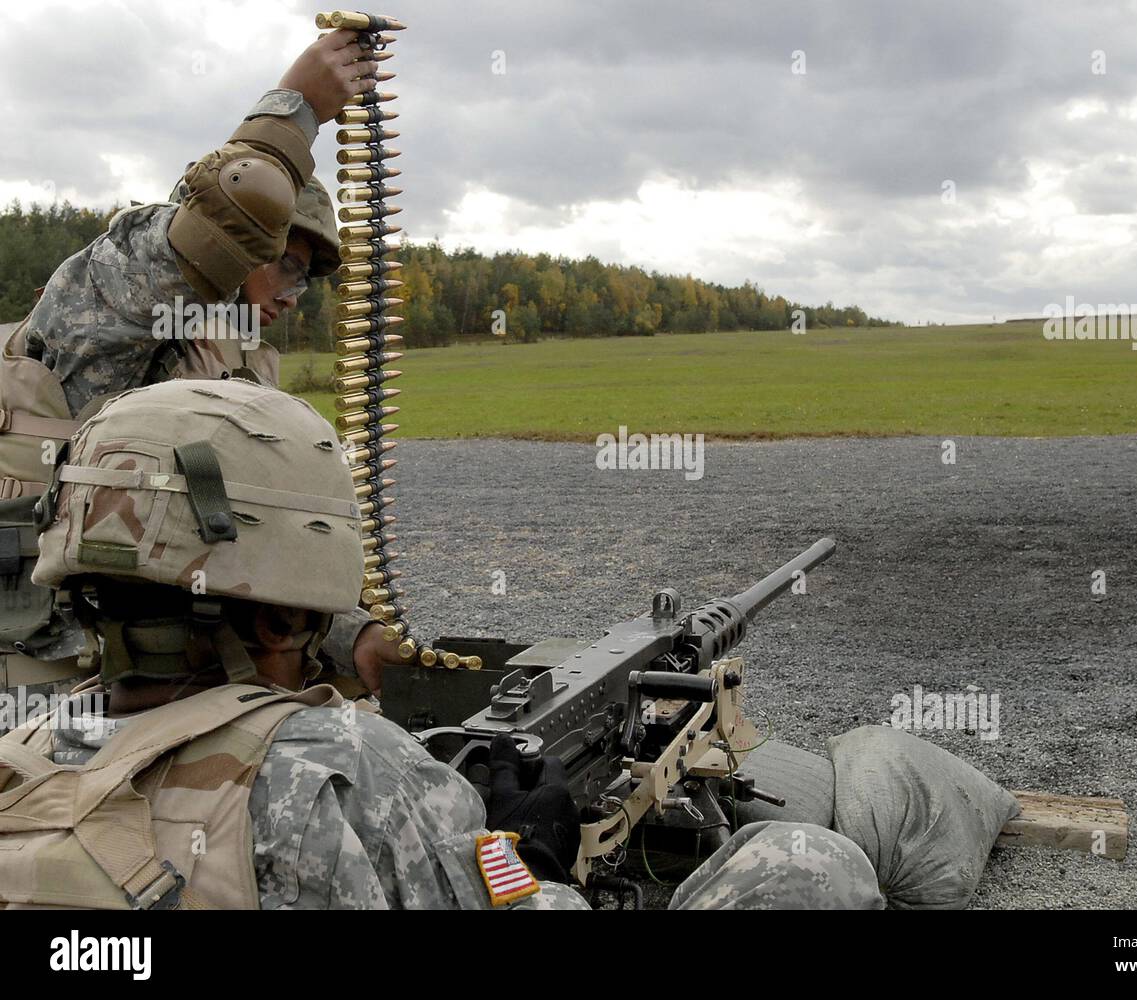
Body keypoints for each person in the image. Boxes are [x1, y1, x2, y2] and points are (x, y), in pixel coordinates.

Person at [0, 379, 883, 910]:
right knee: (808, 863)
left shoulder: (29, 754)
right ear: (280, 613)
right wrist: (524, 856)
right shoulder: (342, 765)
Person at [0, 29, 400, 708]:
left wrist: (346, 634)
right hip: (48, 692)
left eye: (310, 278)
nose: (293, 292)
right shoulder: (114, 319)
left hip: (180, 682)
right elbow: (228, 211)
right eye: (289, 263)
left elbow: (260, 543)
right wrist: (295, 108)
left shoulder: (239, 375)